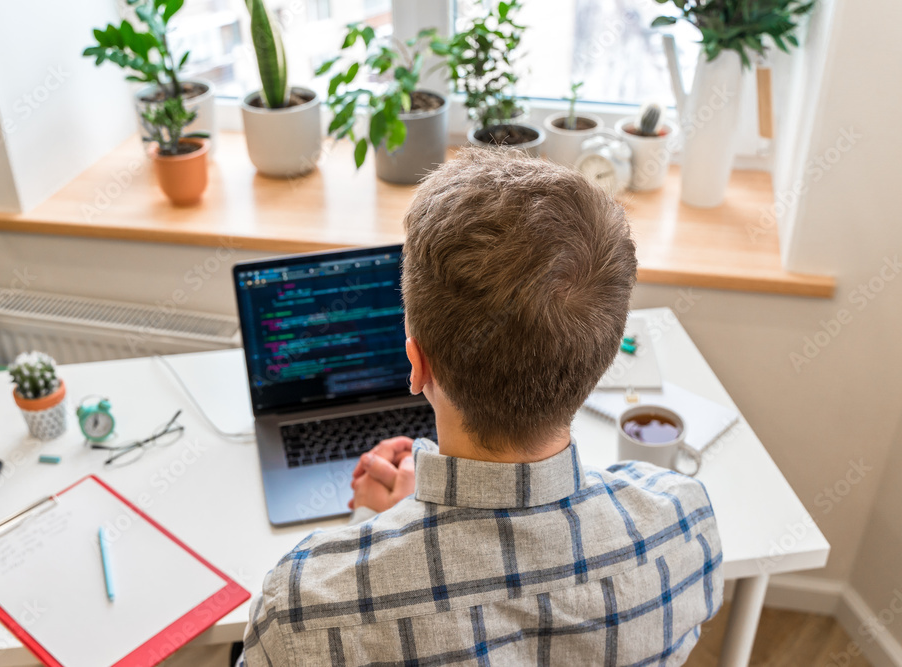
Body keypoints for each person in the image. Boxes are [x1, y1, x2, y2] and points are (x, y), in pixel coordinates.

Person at [237, 149, 722, 665]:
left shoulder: (301, 610)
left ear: (416, 362)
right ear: (603, 356)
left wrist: (370, 529)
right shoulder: (684, 523)